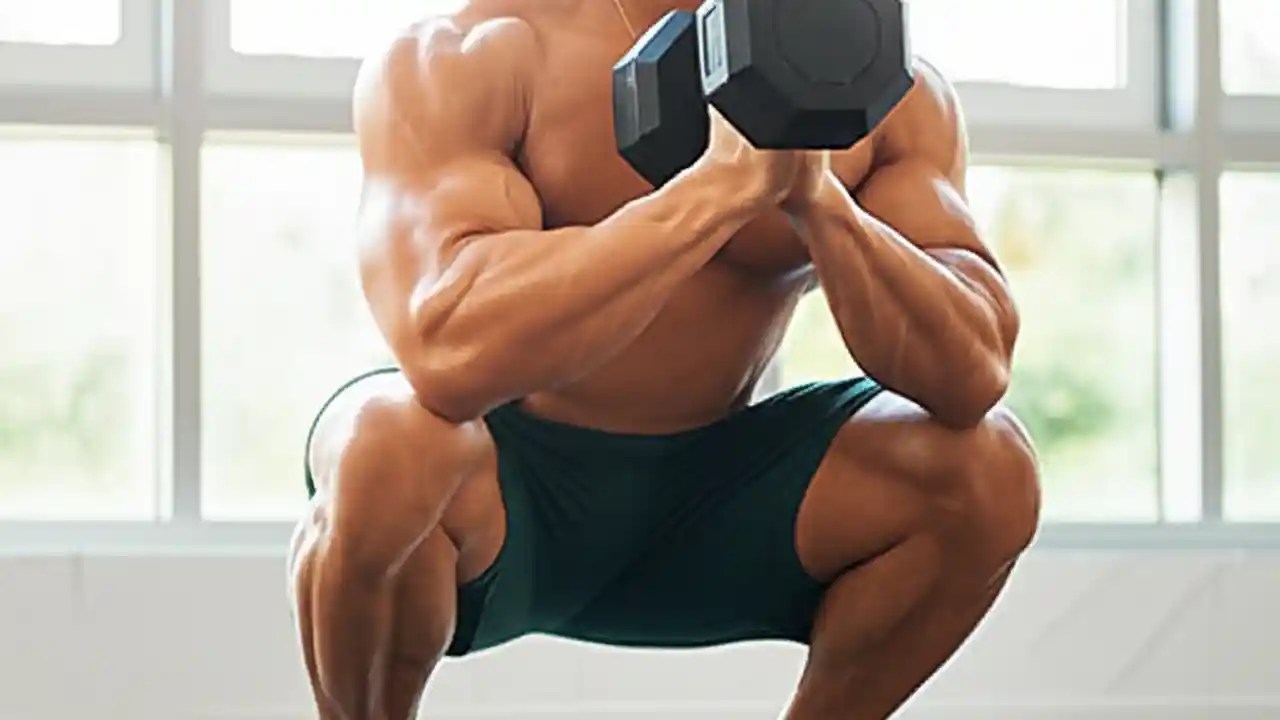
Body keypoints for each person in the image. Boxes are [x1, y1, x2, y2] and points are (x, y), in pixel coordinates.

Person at [288, 1, 1041, 718]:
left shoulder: (882, 89)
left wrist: (817, 200)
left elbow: (972, 369)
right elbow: (448, 348)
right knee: (385, 447)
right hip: (509, 503)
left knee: (990, 469)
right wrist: (713, 194)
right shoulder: (473, 50)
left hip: (718, 508)